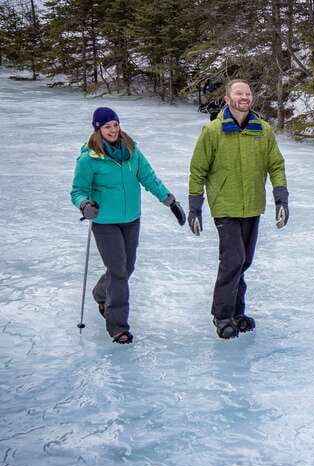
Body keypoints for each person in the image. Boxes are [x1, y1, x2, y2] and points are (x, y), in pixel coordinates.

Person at [70, 107, 186, 344]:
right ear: (98, 130)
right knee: (118, 271)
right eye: (107, 126)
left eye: (115, 124)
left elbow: (148, 177)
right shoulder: (89, 158)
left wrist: (170, 201)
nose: (113, 130)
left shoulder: (132, 150)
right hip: (105, 222)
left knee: (127, 267)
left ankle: (101, 292)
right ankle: (117, 326)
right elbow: (78, 190)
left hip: (132, 219)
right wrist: (84, 205)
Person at [187, 79, 288, 340]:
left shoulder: (262, 130)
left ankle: (237, 312)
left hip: (252, 205)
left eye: (248, 93)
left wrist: (281, 198)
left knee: (244, 261)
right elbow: (198, 169)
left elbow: (276, 165)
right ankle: (222, 315)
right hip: (225, 205)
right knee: (232, 260)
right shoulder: (213, 131)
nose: (244, 97)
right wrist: (195, 206)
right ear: (227, 98)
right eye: (238, 93)